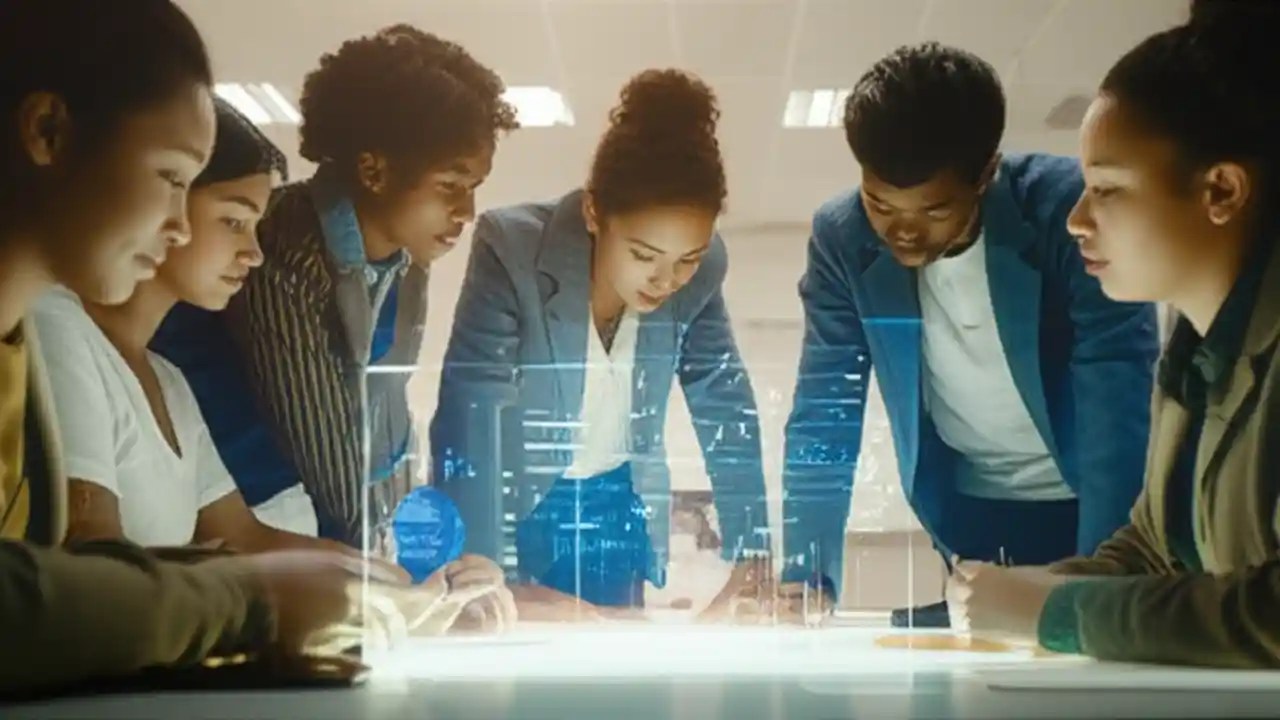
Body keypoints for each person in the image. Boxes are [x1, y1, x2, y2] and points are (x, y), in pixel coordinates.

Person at [0, 0, 373, 693]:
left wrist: (366, 585)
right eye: (173, 178)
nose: (177, 225)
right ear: (49, 130)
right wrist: (252, 598)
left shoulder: (35, 350)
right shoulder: (53, 329)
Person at [948, 0, 1280, 668]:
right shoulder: (1194, 358)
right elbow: (1160, 545)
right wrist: (1049, 585)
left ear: (1221, 189)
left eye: (1106, 188)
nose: (1076, 219)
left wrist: (1058, 616)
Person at [781, 42, 1159, 627]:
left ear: (985, 174)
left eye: (932, 211)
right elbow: (825, 406)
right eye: (880, 203)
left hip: (1094, 497)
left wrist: (1106, 583)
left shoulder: (1065, 211)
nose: (901, 232)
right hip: (968, 509)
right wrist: (805, 579)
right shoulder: (843, 237)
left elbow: (1118, 385)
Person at [150, 25, 519, 547]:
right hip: (258, 531)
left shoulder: (409, 257)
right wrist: (392, 578)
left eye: (474, 189)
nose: (467, 212)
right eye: (450, 186)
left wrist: (417, 555)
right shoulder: (285, 253)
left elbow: (386, 423)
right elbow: (323, 453)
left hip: (325, 548)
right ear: (374, 171)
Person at [431, 69, 770, 618]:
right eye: (644, 254)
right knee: (512, 660)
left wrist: (753, 554)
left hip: (619, 500)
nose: (666, 280)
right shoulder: (511, 247)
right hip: (519, 498)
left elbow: (723, 400)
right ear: (594, 214)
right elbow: (471, 406)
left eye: (687, 259)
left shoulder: (702, 274)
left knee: (618, 669)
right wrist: (476, 557)